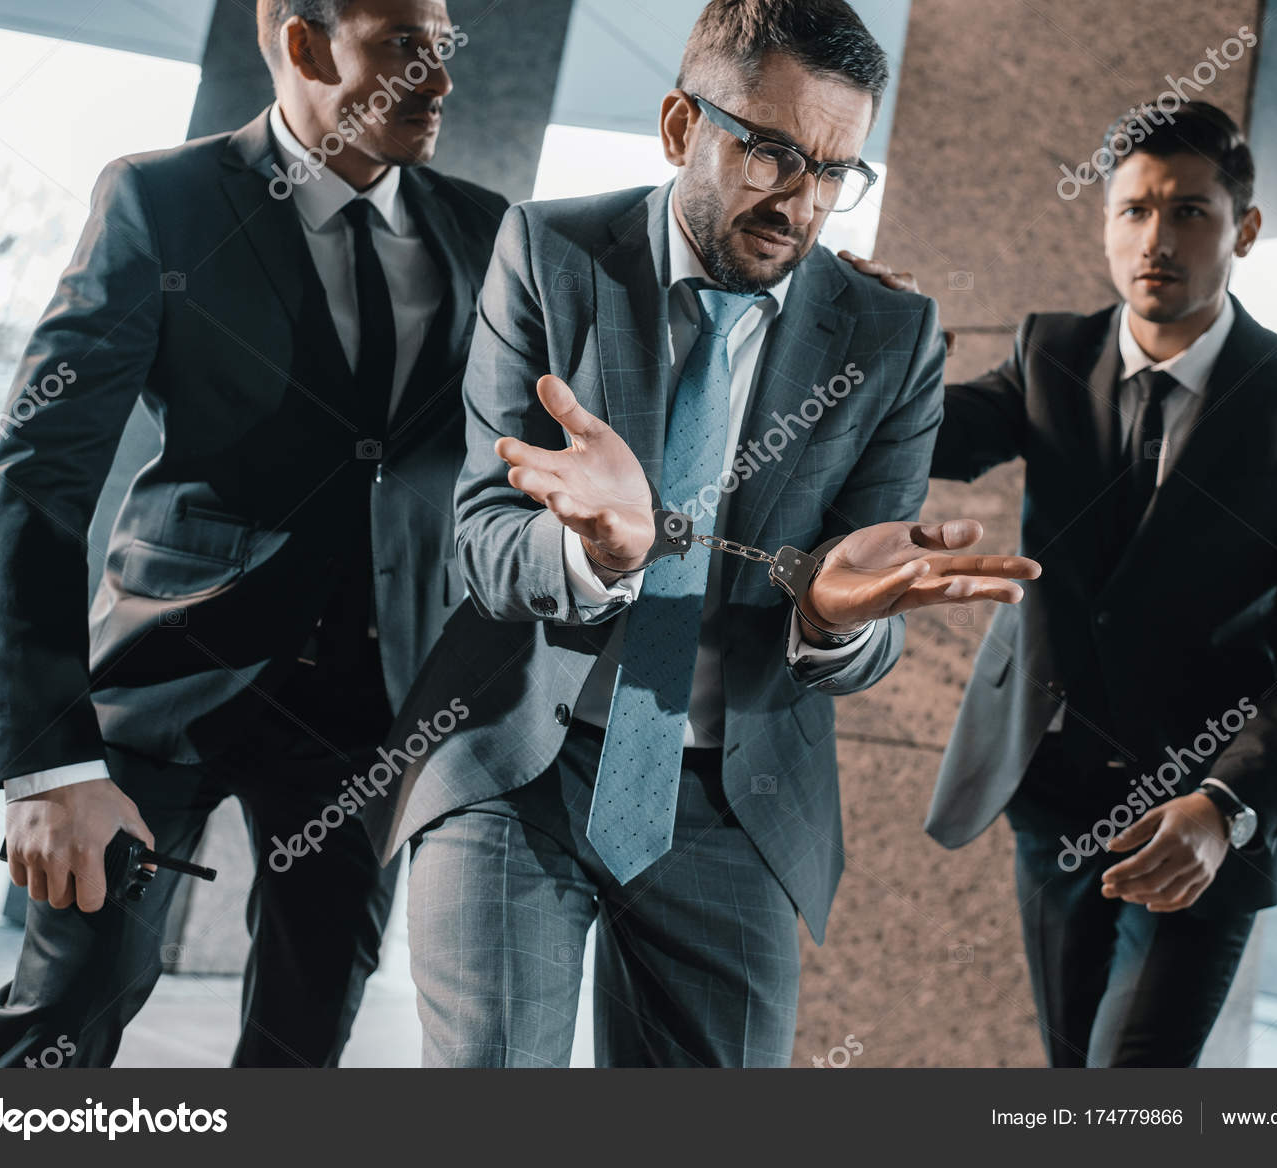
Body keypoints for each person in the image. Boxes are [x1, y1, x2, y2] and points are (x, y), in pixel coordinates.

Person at [364, 0, 1040, 1067]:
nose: (802, 201)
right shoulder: (550, 253)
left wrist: (830, 616)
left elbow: (867, 620)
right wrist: (597, 553)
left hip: (736, 800)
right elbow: (485, 539)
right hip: (519, 761)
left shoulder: (889, 337)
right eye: (771, 153)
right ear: (682, 126)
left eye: (833, 170)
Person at [0, 0, 506, 1067]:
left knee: (299, 1051)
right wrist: (43, 761)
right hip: (166, 683)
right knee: (60, 1024)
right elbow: (39, 472)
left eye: (445, 49)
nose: (440, 82)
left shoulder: (489, 233)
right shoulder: (160, 201)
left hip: (370, 718)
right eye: (405, 47)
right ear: (303, 43)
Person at [914, 101, 1277, 1066]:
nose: (1155, 239)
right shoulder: (1050, 353)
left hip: (1200, 817)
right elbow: (929, 431)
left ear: (1244, 228)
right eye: (1132, 211)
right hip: (1051, 798)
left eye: (1189, 211)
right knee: (1070, 1063)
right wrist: (871, 332)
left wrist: (1226, 806)